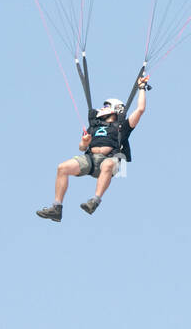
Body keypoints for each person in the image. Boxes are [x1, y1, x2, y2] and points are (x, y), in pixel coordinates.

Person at [37, 75, 149, 221]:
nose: (102, 108)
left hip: (109, 160)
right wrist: (85, 141)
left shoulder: (123, 126)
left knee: (109, 164)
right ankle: (56, 208)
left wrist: (141, 87)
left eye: (107, 106)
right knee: (62, 168)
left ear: (116, 110)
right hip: (90, 159)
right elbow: (81, 147)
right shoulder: (94, 127)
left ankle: (94, 201)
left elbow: (140, 109)